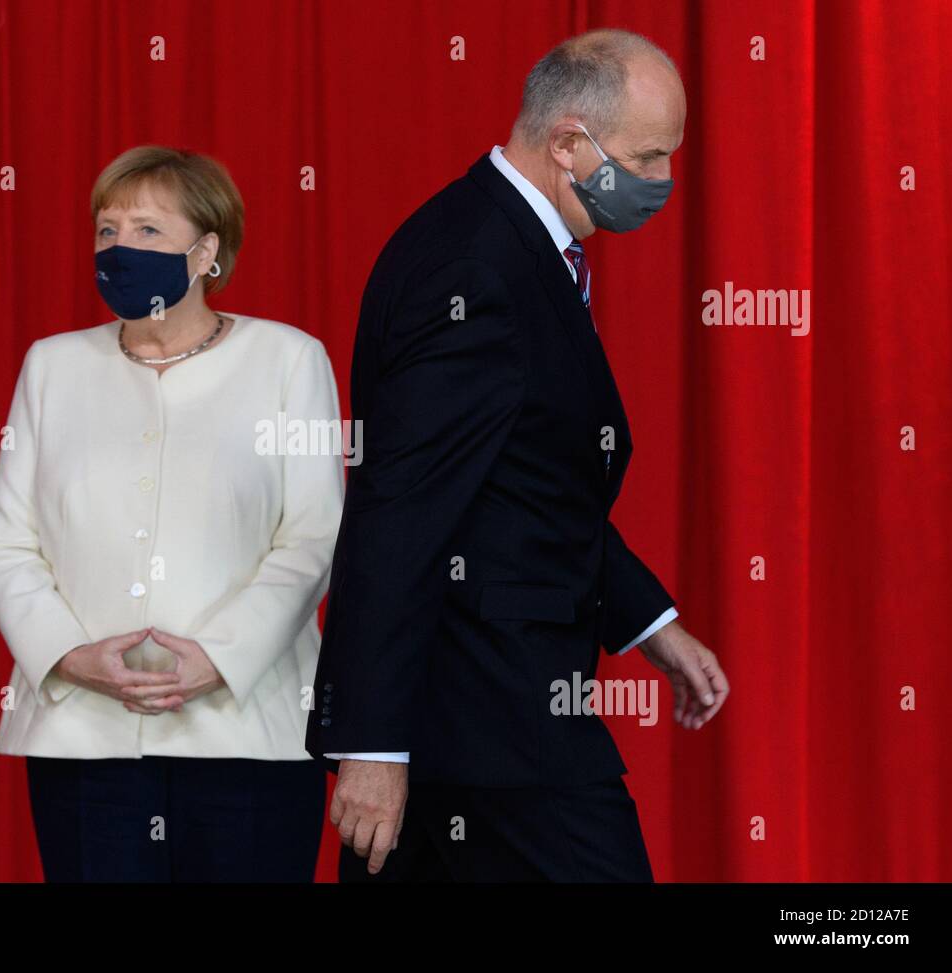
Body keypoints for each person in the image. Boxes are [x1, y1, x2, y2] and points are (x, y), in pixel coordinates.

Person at [306, 29, 730, 882]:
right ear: (569, 143)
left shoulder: (506, 241)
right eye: (648, 158)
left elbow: (524, 484)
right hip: (491, 723)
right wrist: (374, 743)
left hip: (479, 726)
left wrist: (651, 625)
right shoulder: (475, 267)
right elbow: (400, 507)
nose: (662, 183)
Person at [0, 145, 344, 882]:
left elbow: (311, 536)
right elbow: (7, 542)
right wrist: (71, 657)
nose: (119, 248)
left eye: (147, 230)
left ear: (206, 250)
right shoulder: (52, 366)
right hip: (83, 738)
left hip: (248, 737)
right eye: (107, 230)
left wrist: (218, 659)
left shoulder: (288, 360)